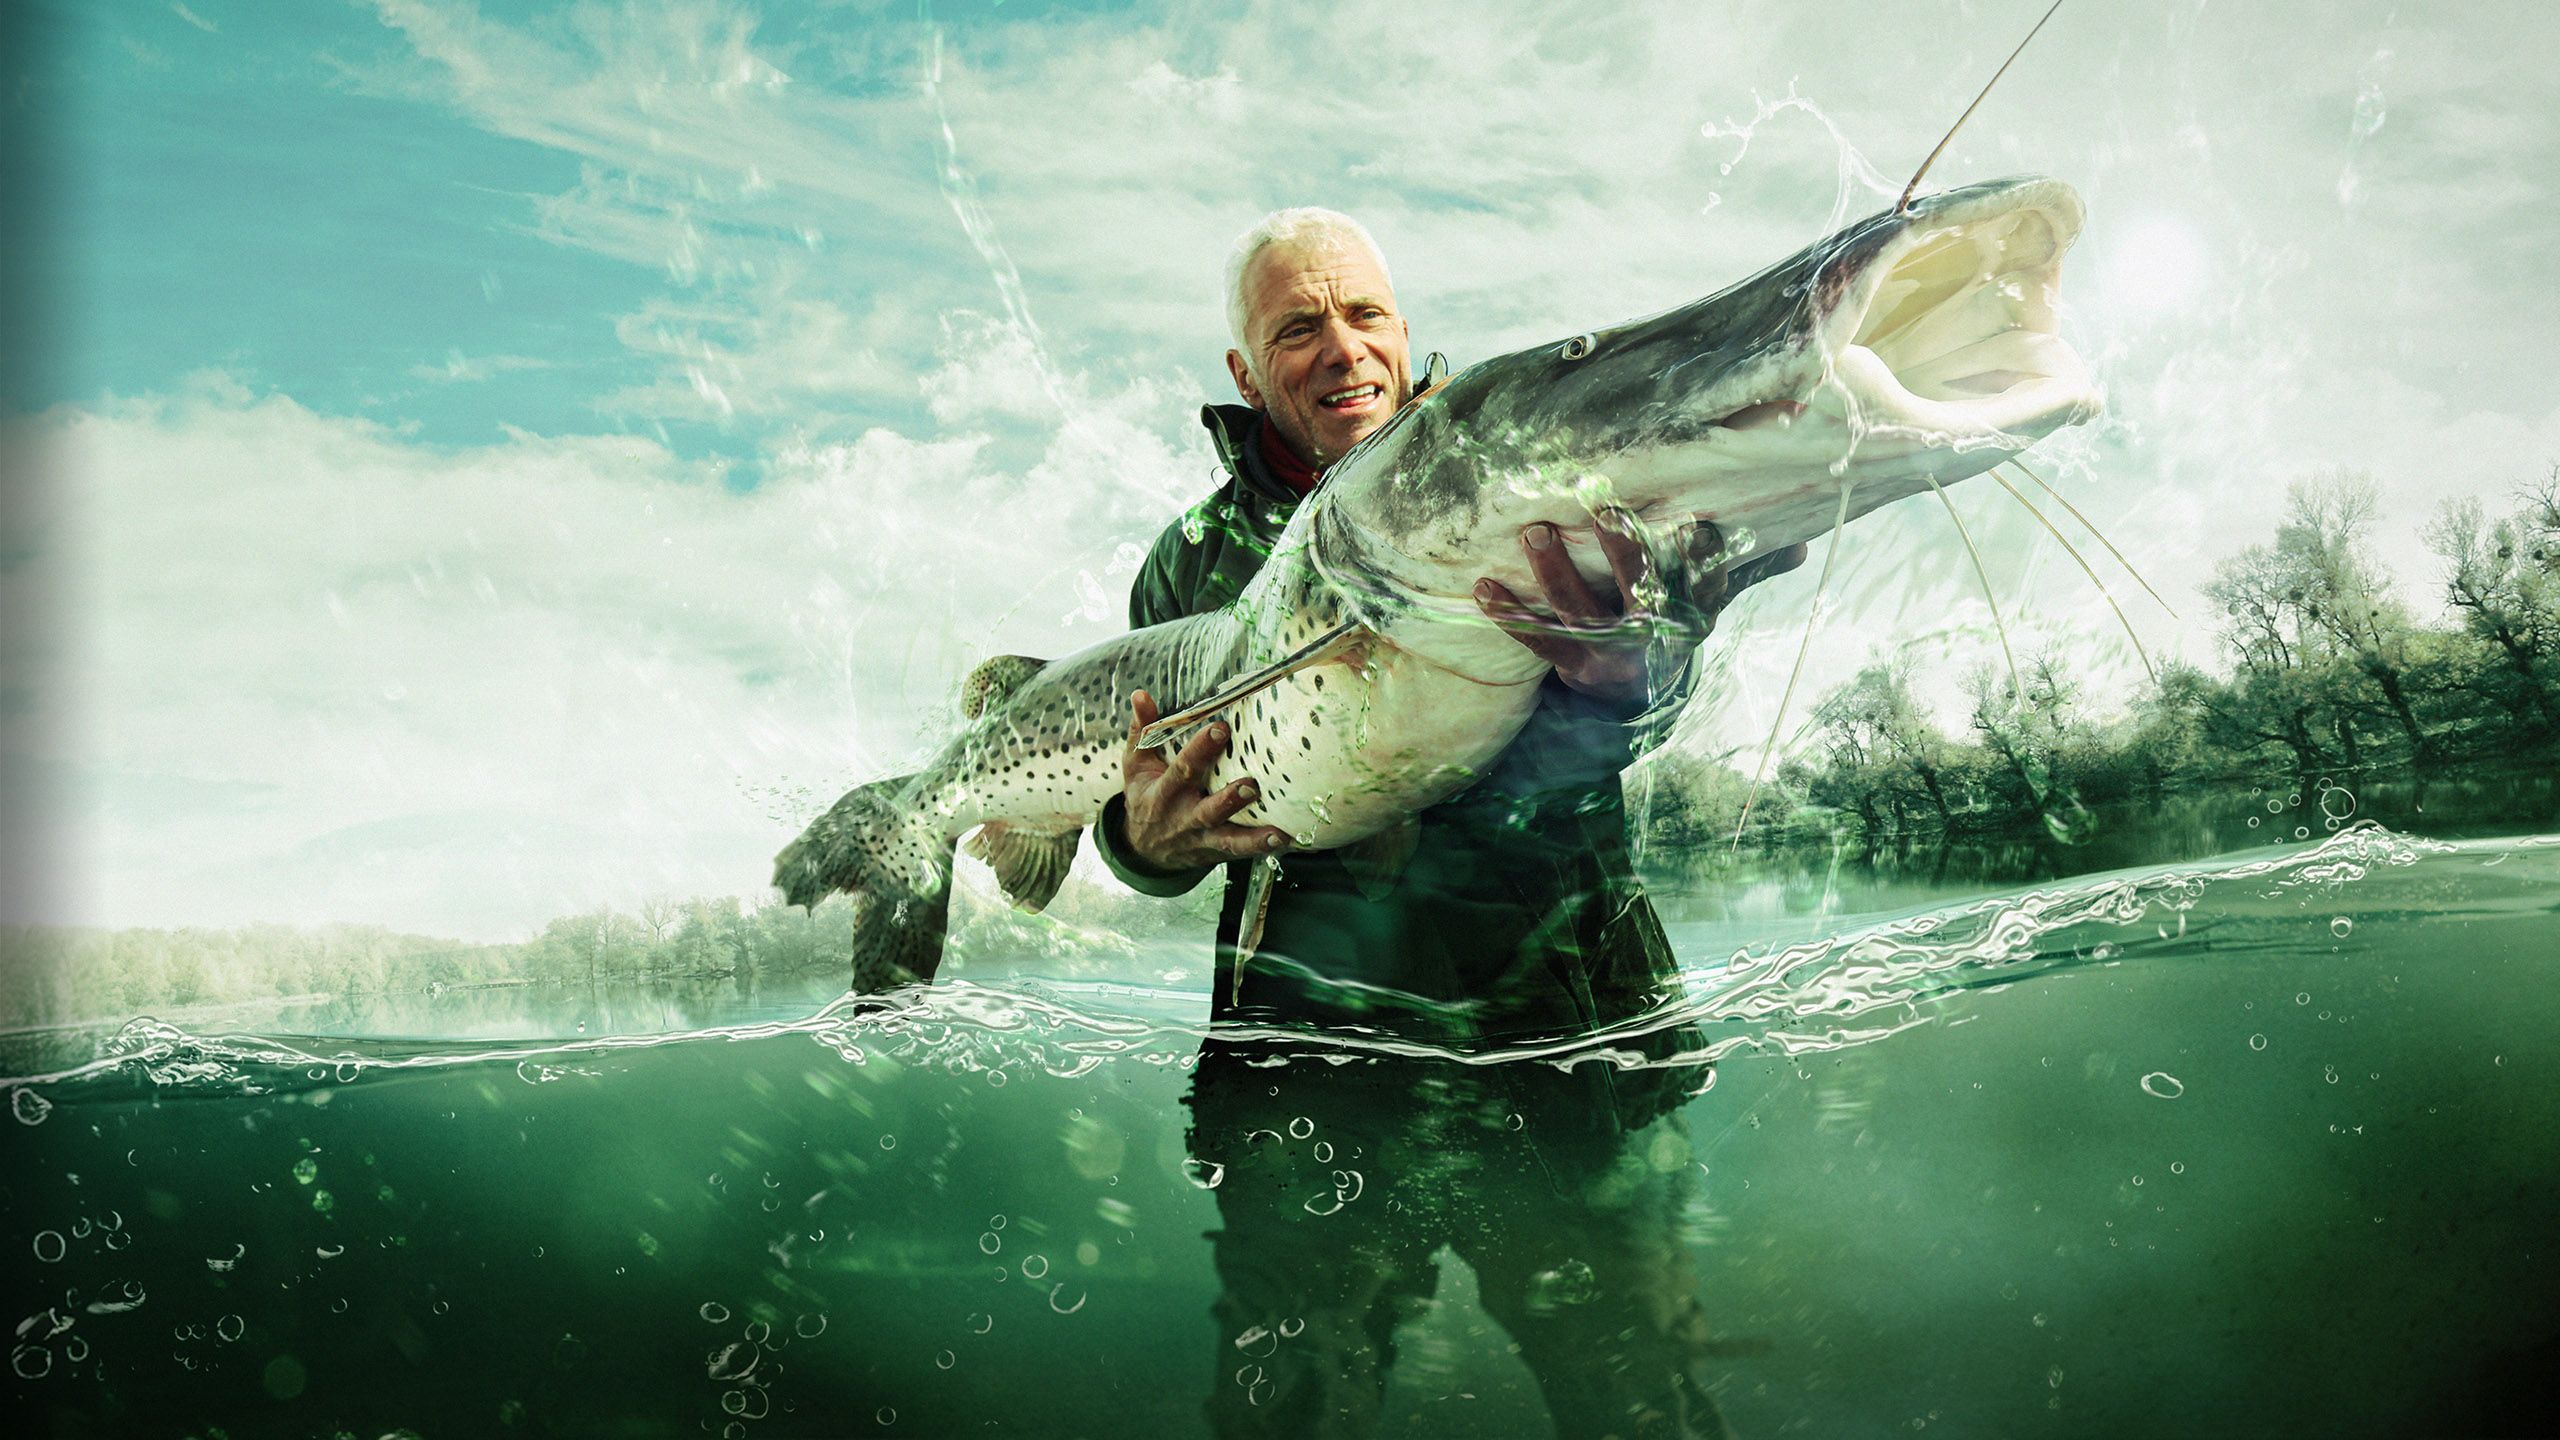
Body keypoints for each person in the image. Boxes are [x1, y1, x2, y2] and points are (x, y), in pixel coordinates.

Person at [1098, 208, 1801, 1439]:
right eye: (1297, 326)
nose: (1341, 349)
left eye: (1365, 314)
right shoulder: (1187, 564)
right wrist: (1139, 845)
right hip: (1307, 1075)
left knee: (1639, 1404)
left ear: (1406, 326)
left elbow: (1646, 706)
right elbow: (1133, 806)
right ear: (1245, 370)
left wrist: (1631, 676)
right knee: (1288, 1417)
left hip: (1573, 1035)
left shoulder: (1540, 452)